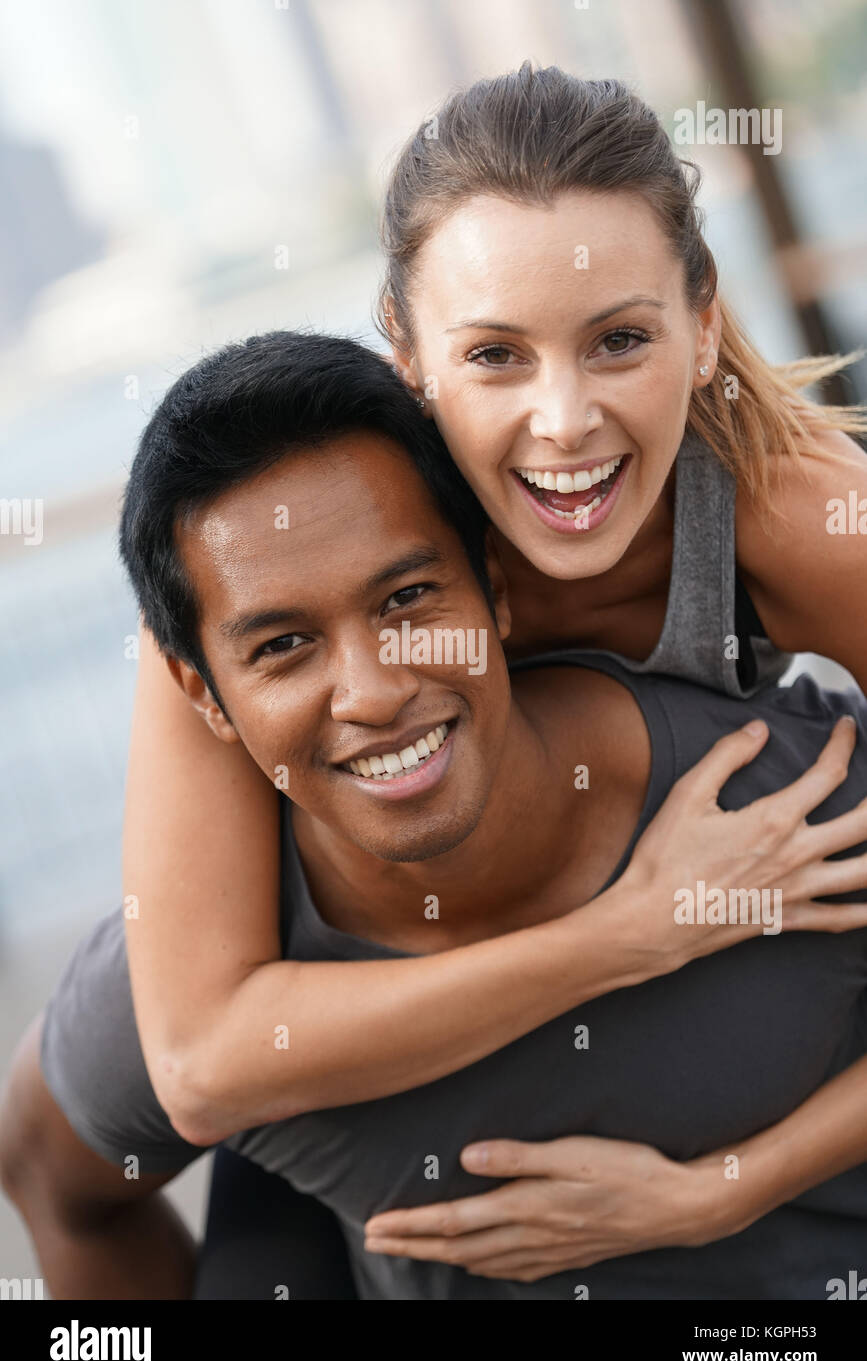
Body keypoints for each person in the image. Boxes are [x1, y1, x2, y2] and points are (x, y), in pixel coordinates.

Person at [118, 66, 867, 1258]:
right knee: (52, 1147)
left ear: (705, 319)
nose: (564, 421)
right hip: (342, 975)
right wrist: (642, 925)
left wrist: (726, 1188)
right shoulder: (284, 557)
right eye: (497, 356)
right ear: (408, 350)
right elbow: (203, 1059)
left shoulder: (801, 519)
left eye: (619, 340)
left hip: (530, 959)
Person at [3, 331, 867, 1300]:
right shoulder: (205, 972)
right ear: (202, 697)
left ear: (496, 586)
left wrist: (722, 1191)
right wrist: (628, 933)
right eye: (284, 645)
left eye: (409, 598)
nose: (371, 691)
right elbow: (48, 1165)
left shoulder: (784, 819)